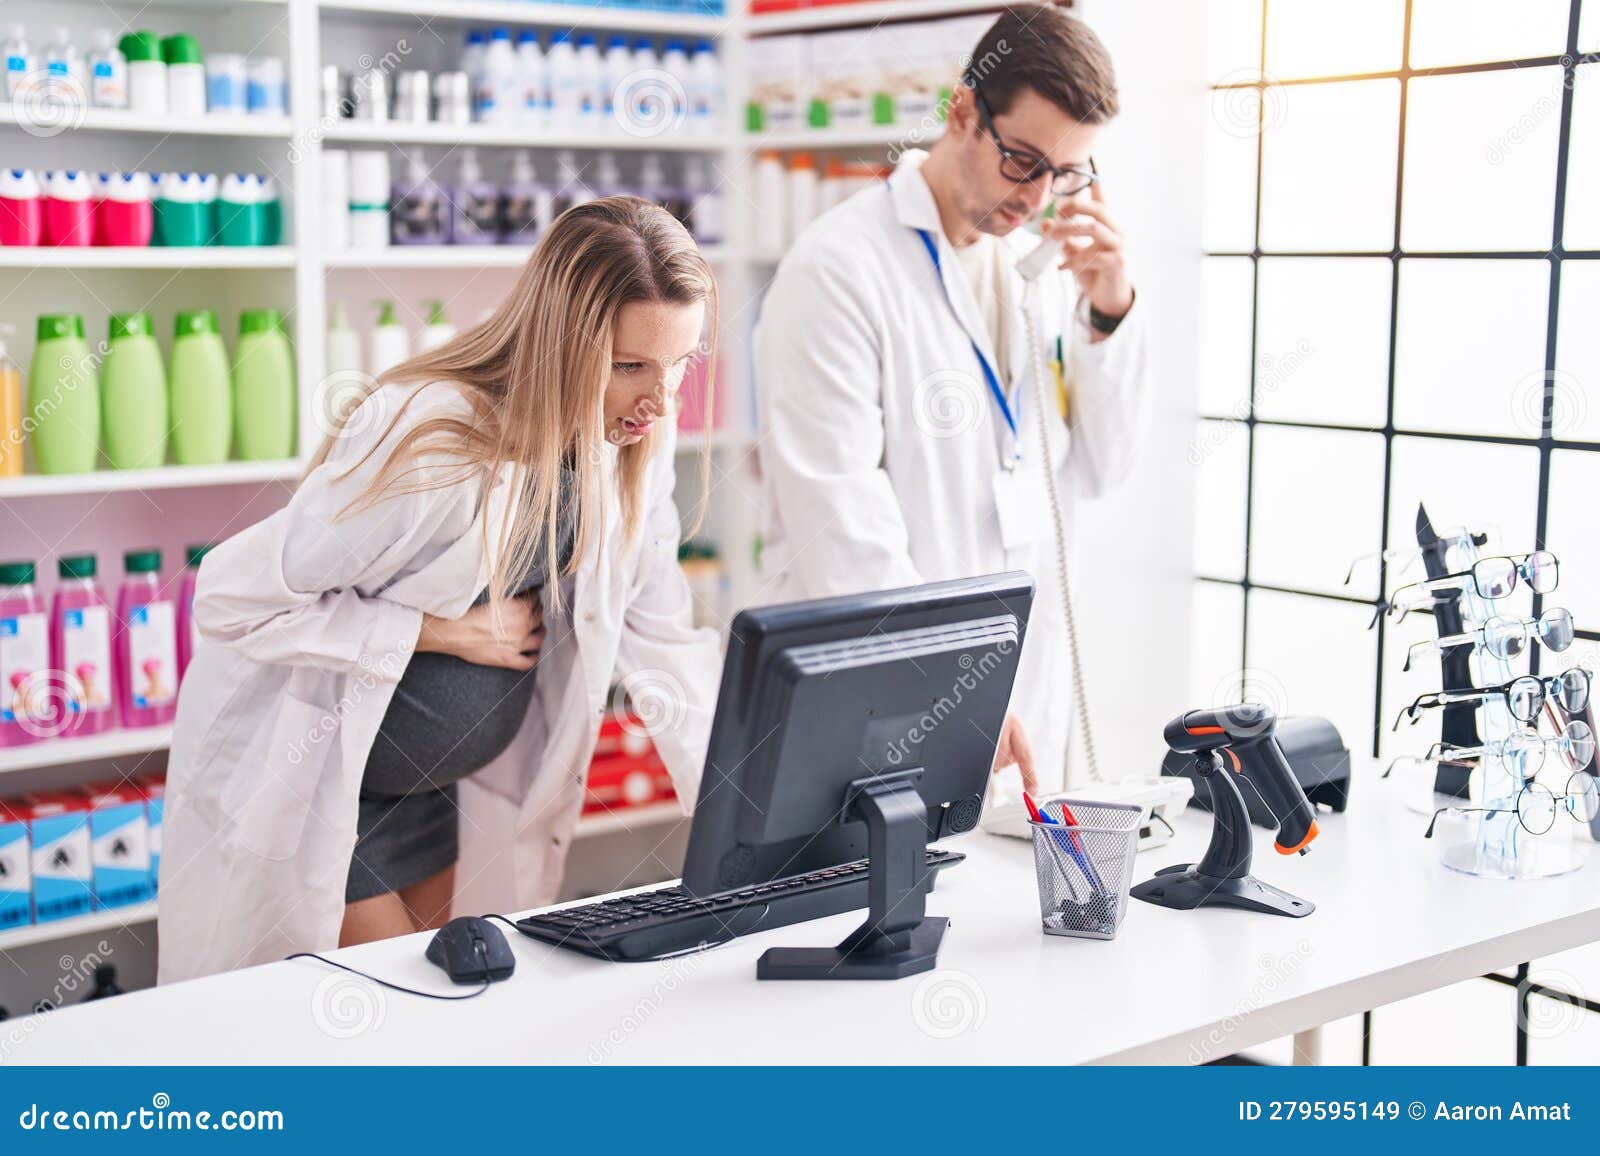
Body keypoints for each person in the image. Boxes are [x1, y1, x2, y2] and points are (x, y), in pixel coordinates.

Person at [157, 198, 722, 983]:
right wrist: (436, 630)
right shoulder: (428, 436)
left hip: (435, 794)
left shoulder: (627, 445)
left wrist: (746, 814)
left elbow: (662, 636)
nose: (662, 404)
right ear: (561, 342)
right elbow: (229, 598)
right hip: (324, 790)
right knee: (396, 1025)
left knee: (438, 1027)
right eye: (631, 366)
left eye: (680, 364)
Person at [754, 5, 1150, 798]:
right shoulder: (838, 270)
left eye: (1067, 174)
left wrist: (1109, 310)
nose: (1038, 199)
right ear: (963, 112)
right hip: (883, 709)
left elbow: (1105, 470)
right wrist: (944, 688)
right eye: (1022, 161)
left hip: (1018, 710)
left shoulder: (1037, 275)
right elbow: (842, 527)